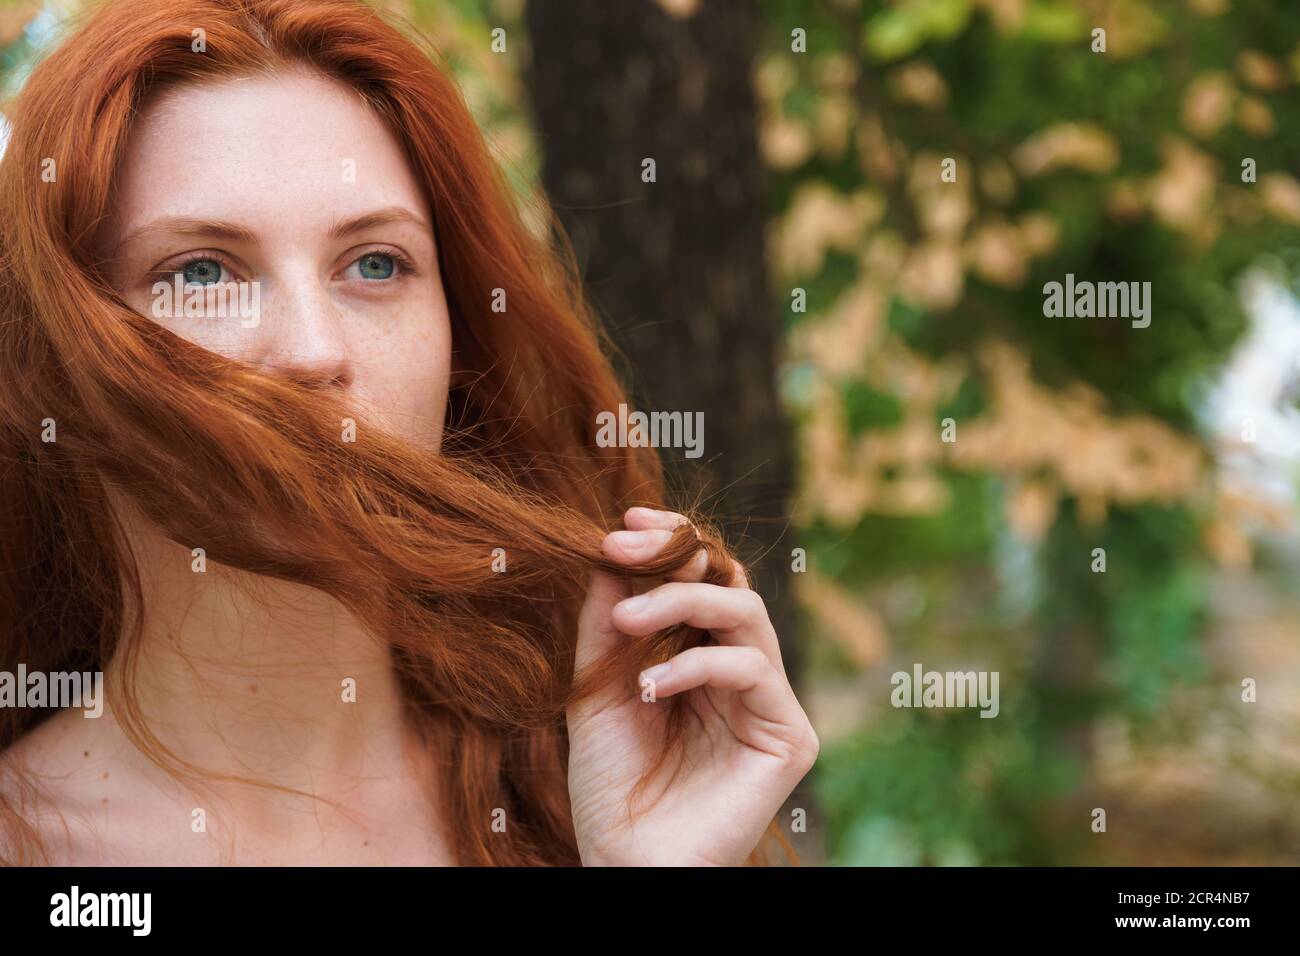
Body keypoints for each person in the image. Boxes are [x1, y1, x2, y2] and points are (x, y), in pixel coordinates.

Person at [0, 0, 817, 866]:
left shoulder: (597, 798)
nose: (314, 354)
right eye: (202, 270)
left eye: (375, 263)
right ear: (59, 361)